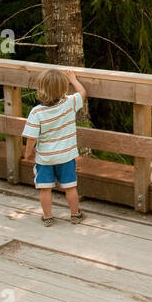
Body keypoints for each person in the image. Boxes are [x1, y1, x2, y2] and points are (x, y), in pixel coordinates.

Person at [21, 68, 88, 226]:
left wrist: (27, 154)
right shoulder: (69, 103)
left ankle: (48, 217)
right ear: (64, 89)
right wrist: (73, 79)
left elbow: (31, 138)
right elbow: (82, 93)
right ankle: (75, 215)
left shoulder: (36, 112)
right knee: (70, 187)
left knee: (45, 189)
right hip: (66, 156)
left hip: (45, 158)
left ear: (40, 89)